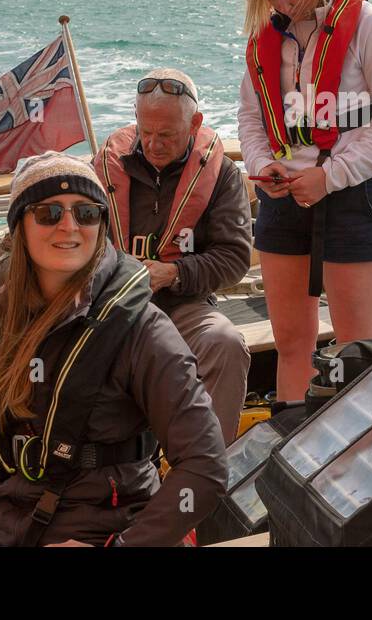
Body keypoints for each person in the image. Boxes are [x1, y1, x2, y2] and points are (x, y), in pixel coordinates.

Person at [0, 152, 226, 546]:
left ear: (102, 225)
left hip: (103, 530)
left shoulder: (141, 331)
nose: (69, 226)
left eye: (87, 213)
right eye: (48, 212)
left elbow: (205, 467)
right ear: (19, 225)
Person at [237, 0, 372, 400]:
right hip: (283, 201)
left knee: (358, 346)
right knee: (291, 342)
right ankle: (288, 446)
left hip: (353, 198)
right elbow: (251, 120)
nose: (282, 6)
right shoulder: (264, 37)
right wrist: (261, 165)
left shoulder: (369, 29)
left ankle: (359, 456)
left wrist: (330, 176)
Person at [92, 67, 252, 445]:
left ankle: (207, 472)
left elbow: (234, 257)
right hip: (110, 306)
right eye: (146, 132)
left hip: (183, 304)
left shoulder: (223, 175)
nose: (154, 143)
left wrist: (173, 273)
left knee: (225, 343)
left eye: (167, 134)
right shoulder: (104, 170)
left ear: (195, 123)